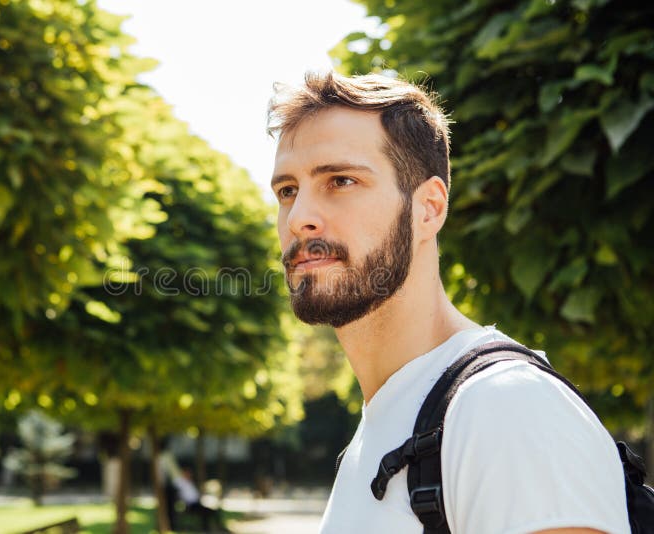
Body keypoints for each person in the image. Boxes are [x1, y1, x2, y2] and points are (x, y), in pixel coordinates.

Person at [266, 71, 630, 534]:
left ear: (429, 208)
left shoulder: (506, 411)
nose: (299, 219)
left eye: (340, 180)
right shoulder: (381, 428)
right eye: (287, 191)